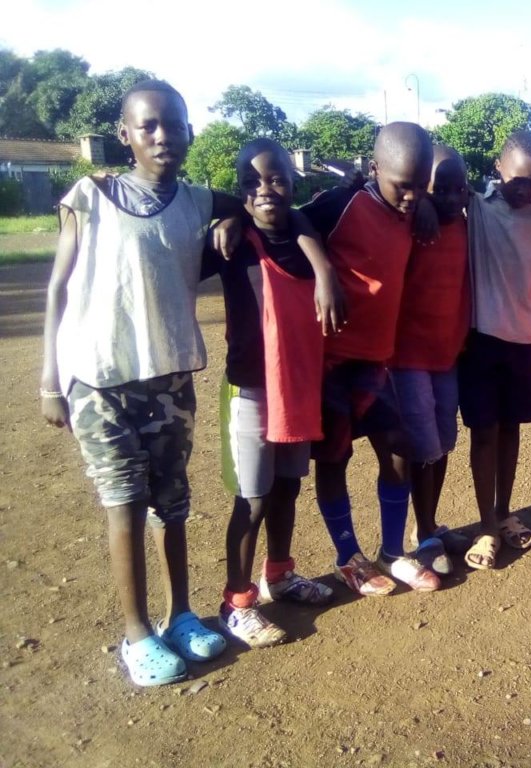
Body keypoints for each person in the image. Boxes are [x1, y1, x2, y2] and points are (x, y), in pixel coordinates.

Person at [39, 79, 237, 686]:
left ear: (190, 132)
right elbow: (58, 287)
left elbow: (248, 202)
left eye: (173, 124)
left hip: (169, 376)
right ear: (124, 135)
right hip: (98, 378)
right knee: (123, 501)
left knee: (171, 503)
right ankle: (137, 634)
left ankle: (181, 616)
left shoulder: (199, 202)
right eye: (147, 125)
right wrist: (50, 380)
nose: (161, 136)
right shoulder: (92, 196)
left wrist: (231, 222)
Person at [206, 138, 343, 647]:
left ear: (293, 182)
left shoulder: (308, 233)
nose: (264, 189)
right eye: (251, 182)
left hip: (298, 383)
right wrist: (228, 214)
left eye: (276, 178)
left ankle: (280, 575)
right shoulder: (233, 242)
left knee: (287, 487)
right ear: (239, 189)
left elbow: (344, 194)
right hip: (251, 389)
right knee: (253, 498)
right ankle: (237, 602)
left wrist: (324, 268)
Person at [301, 121, 440, 595]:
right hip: (331, 361)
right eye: (403, 185)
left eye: (420, 185)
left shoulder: (414, 209)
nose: (411, 196)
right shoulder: (343, 204)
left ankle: (393, 552)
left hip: (376, 362)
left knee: (398, 448)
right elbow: (294, 223)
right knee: (334, 459)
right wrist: (323, 272)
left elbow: (444, 199)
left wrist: (424, 203)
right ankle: (349, 557)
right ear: (376, 168)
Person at [458, 130, 531, 570]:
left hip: (526, 341)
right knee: (484, 433)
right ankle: (485, 525)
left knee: (511, 430)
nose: (526, 190)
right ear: (498, 168)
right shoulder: (477, 204)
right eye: (517, 180)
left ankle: (503, 512)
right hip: (481, 340)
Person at [389, 145, 472, 574]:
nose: (452, 197)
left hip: (447, 354)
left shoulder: (466, 223)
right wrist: (420, 204)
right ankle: (423, 536)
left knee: (441, 444)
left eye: (460, 188)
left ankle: (430, 524)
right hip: (408, 355)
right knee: (422, 446)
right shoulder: (409, 224)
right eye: (441, 189)